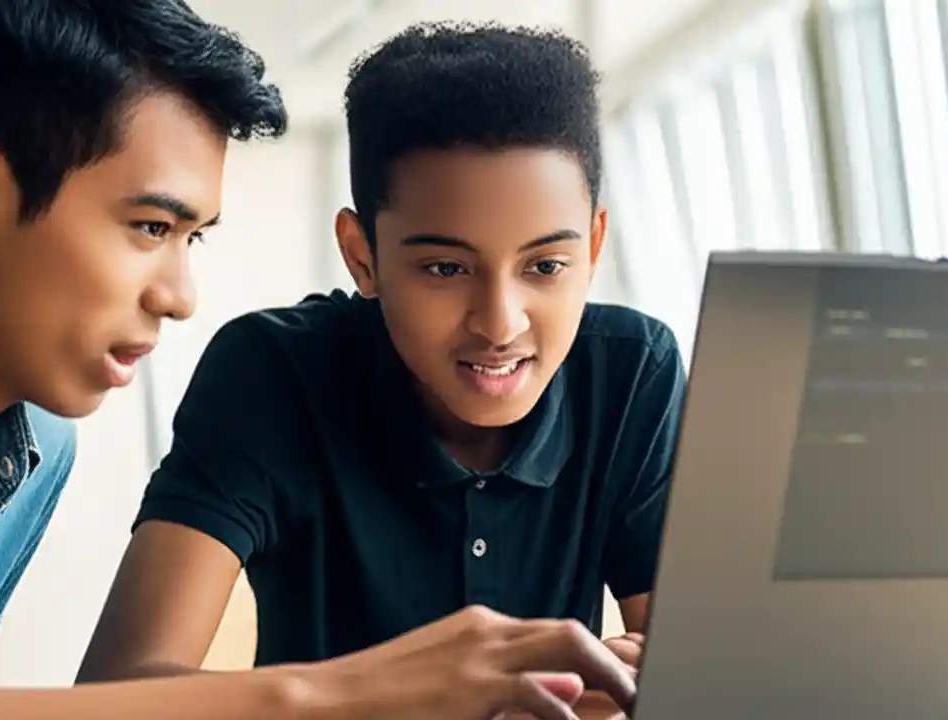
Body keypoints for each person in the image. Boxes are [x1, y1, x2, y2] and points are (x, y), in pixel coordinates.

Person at [0, 2, 635, 719]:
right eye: (150, 227)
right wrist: (351, 694)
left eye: (191, 239)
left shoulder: (27, 448)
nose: (178, 294)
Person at [79, 22, 682, 687]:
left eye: (546, 265)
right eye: (447, 269)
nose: (500, 323)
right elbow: (115, 691)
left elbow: (680, 674)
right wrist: (395, 691)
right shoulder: (272, 374)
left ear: (594, 248)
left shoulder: (632, 374)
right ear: (362, 256)